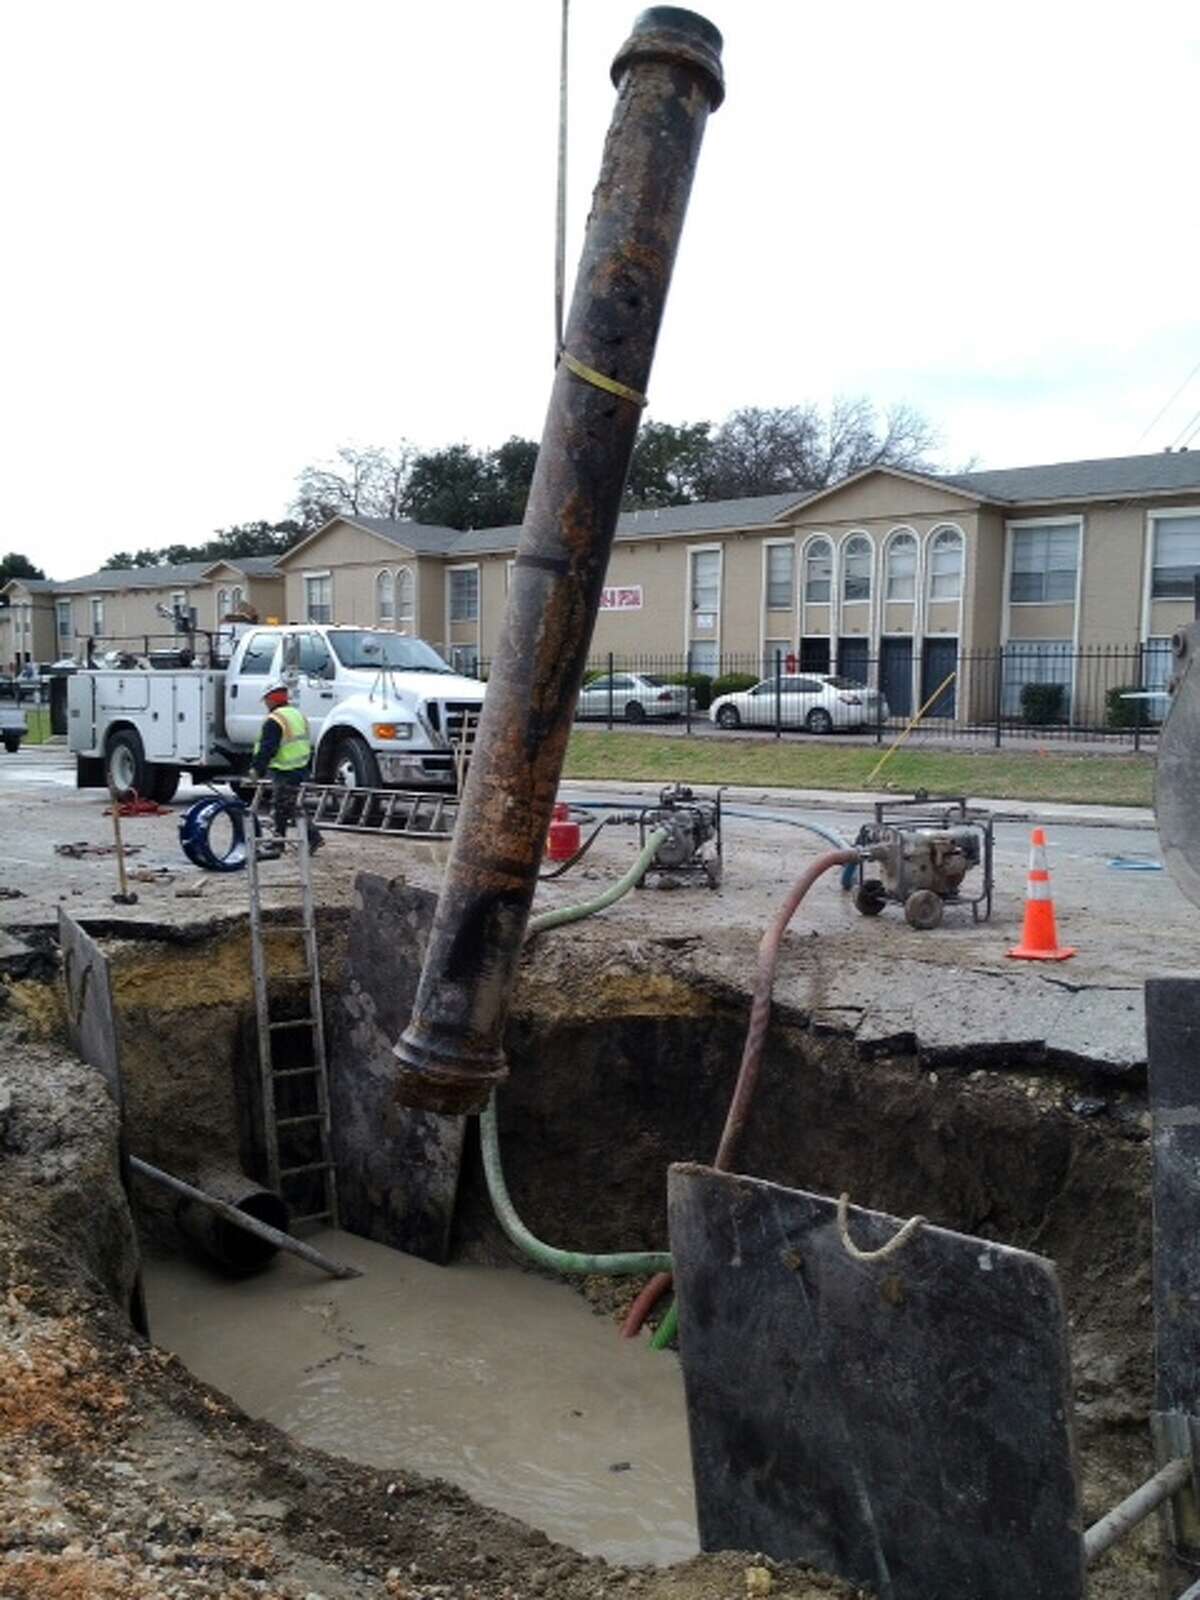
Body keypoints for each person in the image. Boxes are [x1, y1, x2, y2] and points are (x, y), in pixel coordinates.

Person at [250, 681, 323, 856]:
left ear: (272, 699)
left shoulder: (275, 720)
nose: (265, 704)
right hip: (300, 766)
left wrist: (257, 769)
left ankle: (288, 841)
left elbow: (268, 748)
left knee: (283, 806)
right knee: (288, 805)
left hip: (285, 769)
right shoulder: (296, 714)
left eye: (266, 700)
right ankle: (297, 839)